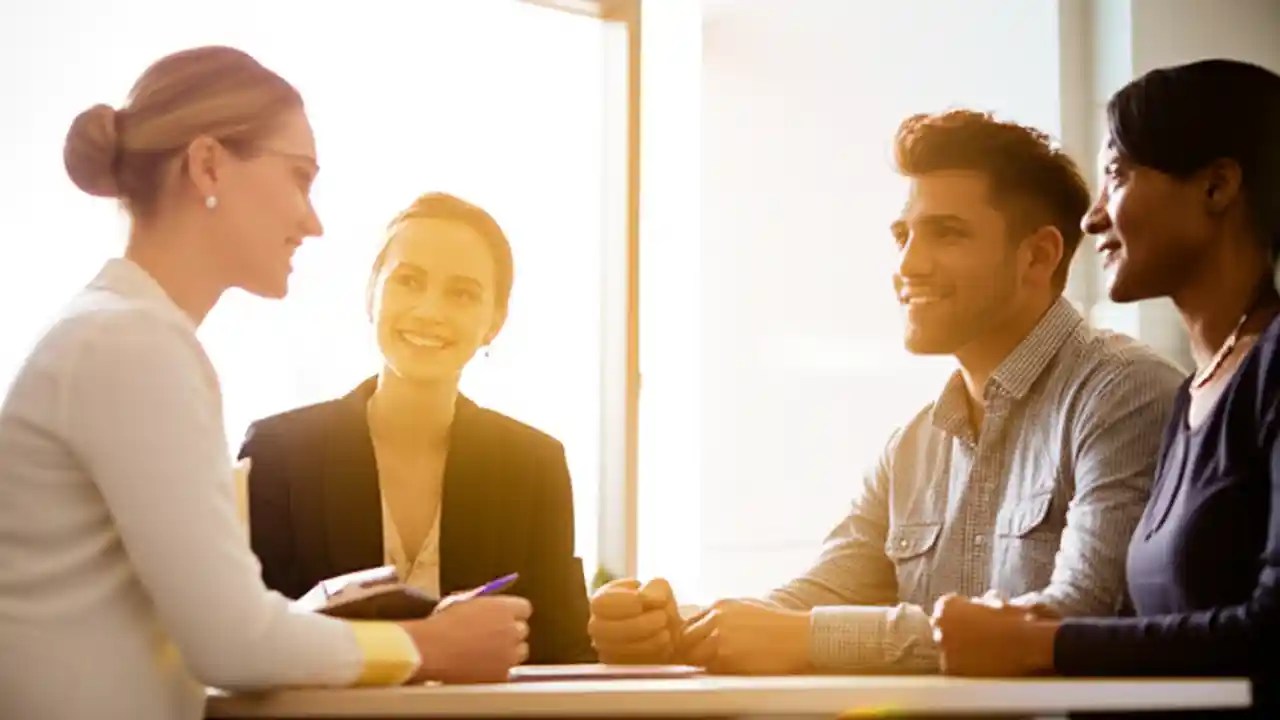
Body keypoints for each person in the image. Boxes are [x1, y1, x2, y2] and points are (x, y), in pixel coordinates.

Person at [0, 47, 530, 720]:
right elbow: (232, 640)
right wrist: (427, 646)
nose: (314, 221)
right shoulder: (133, 345)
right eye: (299, 178)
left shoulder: (121, 334)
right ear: (208, 166)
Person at [588, 110, 1185, 674]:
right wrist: (676, 628)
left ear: (1038, 255)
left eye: (945, 234)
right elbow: (815, 596)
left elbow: (1075, 617)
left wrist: (806, 637)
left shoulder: (1123, 392)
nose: (908, 264)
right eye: (902, 234)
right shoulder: (913, 446)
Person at [931, 59, 1280, 707]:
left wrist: (1039, 645)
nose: (1091, 219)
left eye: (1117, 175)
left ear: (1217, 186)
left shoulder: (1271, 368)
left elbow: (1272, 630)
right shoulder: (1194, 393)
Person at [239, 192, 595, 665]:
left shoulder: (534, 465)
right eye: (409, 281)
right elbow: (251, 642)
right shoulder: (279, 454)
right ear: (371, 295)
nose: (430, 310)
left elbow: (564, 652)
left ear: (495, 321)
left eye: (462, 293)